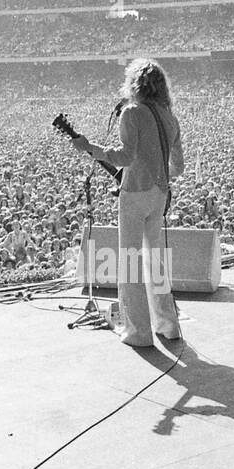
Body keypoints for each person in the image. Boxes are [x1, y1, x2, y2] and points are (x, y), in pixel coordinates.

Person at [70, 58, 184, 347]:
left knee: (131, 261)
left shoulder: (132, 112)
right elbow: (179, 167)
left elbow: (124, 157)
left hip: (134, 194)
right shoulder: (169, 117)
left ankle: (138, 332)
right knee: (155, 259)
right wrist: (158, 174)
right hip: (159, 194)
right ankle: (167, 324)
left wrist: (90, 148)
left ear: (135, 83)